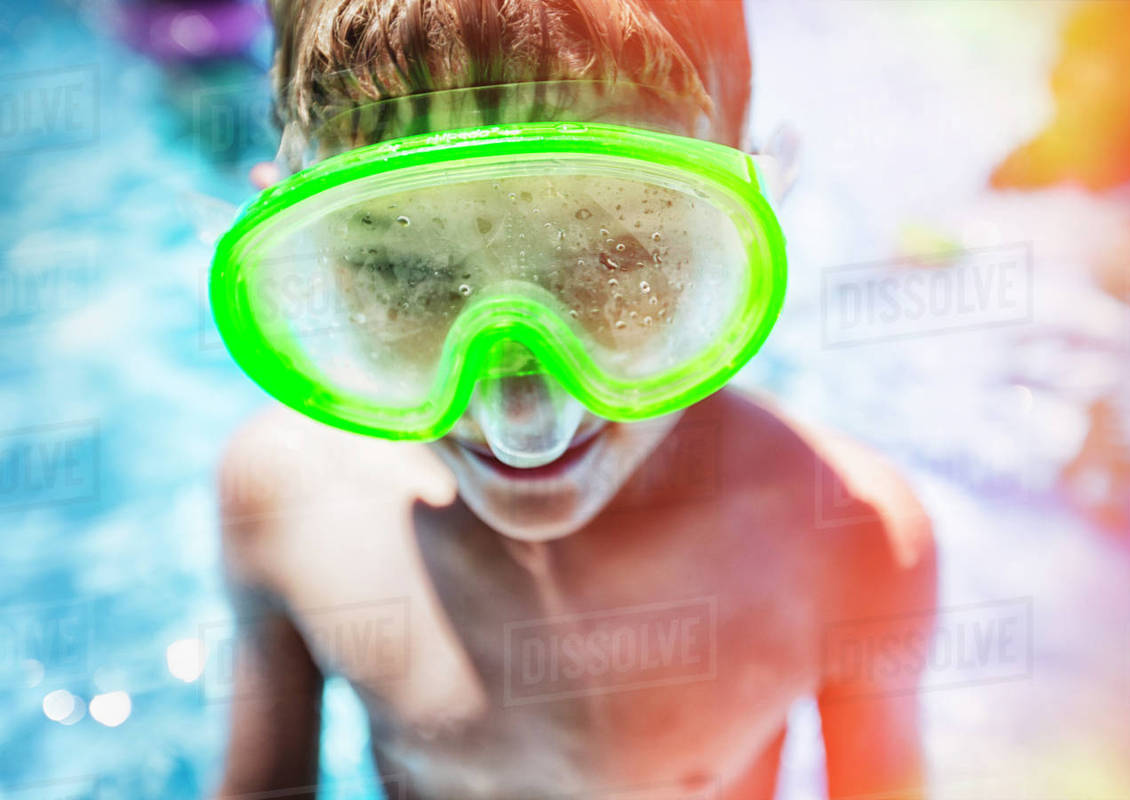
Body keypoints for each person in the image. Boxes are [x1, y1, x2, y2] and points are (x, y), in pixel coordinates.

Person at [211, 1, 937, 798]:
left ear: (754, 212)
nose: (522, 419)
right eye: (406, 276)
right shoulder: (281, 500)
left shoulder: (844, 541)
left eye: (620, 258)